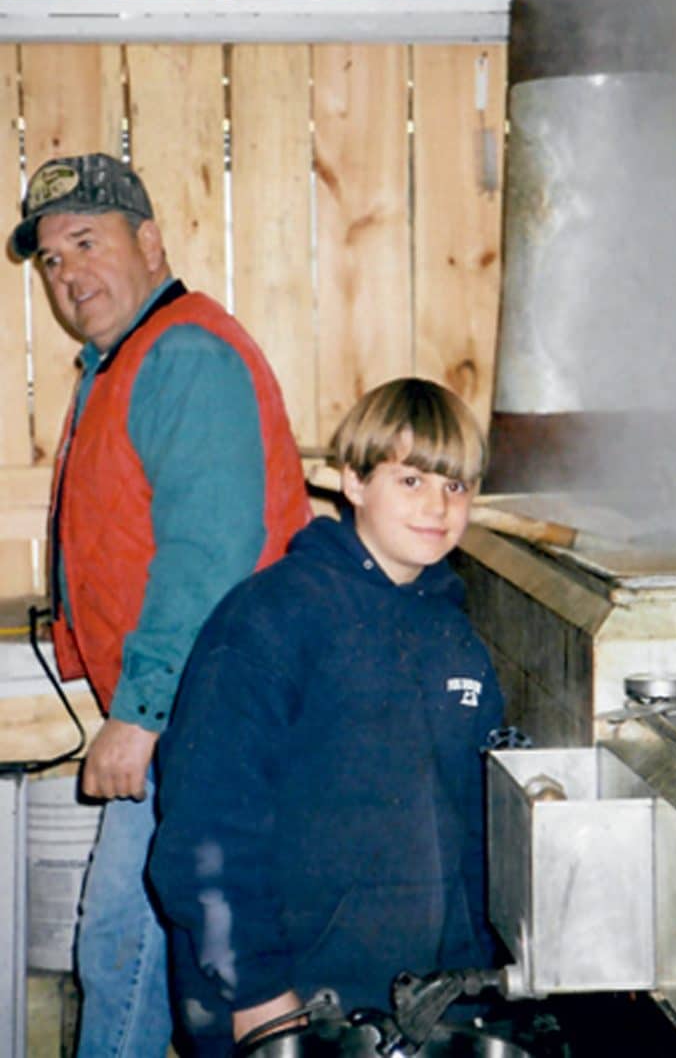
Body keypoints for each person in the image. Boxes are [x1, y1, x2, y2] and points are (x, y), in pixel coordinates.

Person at [9, 152, 312, 1057]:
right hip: (194, 707)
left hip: (205, 711)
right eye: (52, 260)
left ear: (150, 242)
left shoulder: (180, 355)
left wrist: (138, 714)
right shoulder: (124, 360)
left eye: (87, 242)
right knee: (153, 952)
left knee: (125, 945)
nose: (69, 275)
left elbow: (206, 556)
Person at [149, 376, 506, 1055]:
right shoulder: (272, 618)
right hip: (291, 998)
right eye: (411, 481)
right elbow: (205, 821)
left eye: (456, 486)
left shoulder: (458, 643)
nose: (437, 506)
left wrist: (473, 978)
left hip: (417, 1003)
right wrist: (253, 989)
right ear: (353, 481)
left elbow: (471, 832)